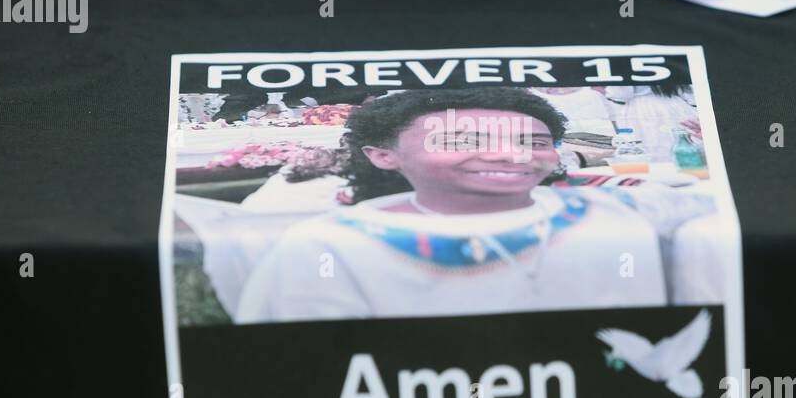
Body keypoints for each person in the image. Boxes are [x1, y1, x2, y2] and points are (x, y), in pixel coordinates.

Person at [233, 87, 717, 323]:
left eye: (533, 140)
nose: (511, 152)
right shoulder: (318, 226)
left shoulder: (606, 208)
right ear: (382, 155)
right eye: (464, 138)